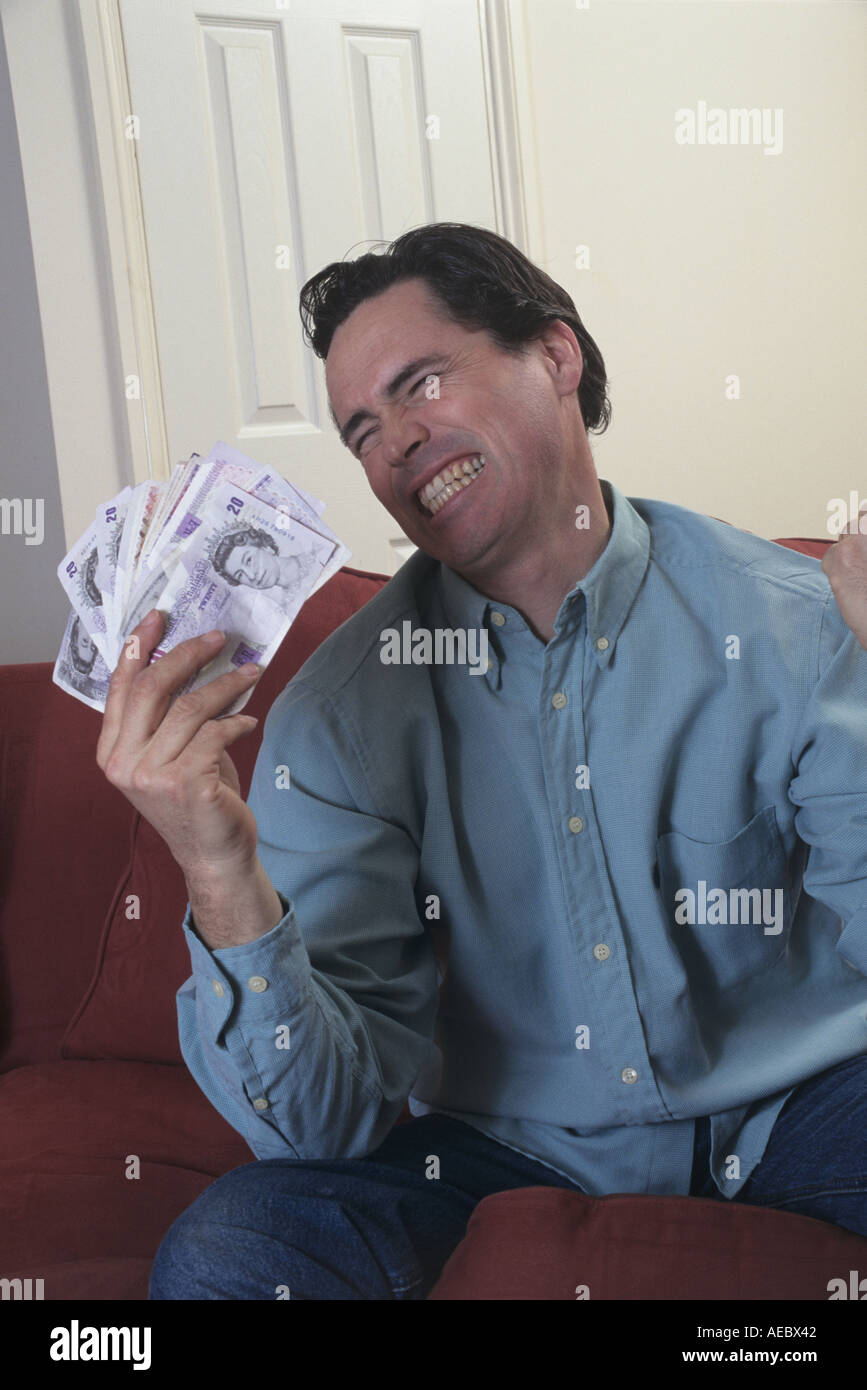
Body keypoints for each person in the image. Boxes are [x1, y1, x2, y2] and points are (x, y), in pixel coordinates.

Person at [96, 223, 867, 1301]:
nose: (394, 444)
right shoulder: (340, 714)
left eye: (421, 384)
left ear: (557, 357)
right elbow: (323, 1122)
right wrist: (217, 870)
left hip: (801, 1106)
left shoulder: (790, 624)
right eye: (363, 429)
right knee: (234, 1254)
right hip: (504, 1145)